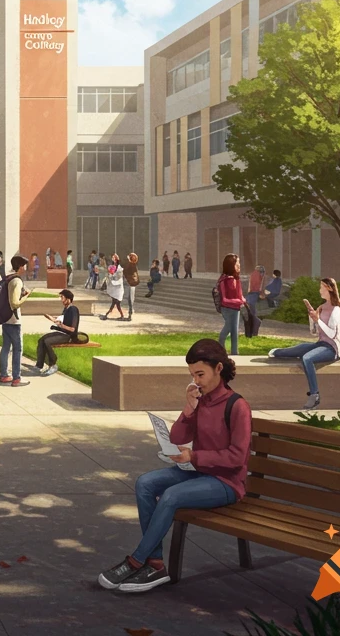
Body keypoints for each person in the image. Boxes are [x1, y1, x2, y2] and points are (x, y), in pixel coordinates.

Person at [97, 339, 250, 594]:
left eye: (200, 374)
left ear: (218, 368)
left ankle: (136, 561)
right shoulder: (201, 400)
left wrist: (194, 456)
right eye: (192, 375)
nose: (196, 381)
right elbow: (177, 437)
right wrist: (189, 408)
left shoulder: (237, 406)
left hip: (226, 483)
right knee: (145, 483)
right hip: (198, 473)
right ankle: (156, 563)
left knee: (171, 496)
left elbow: (237, 457)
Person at [269, 277, 340, 409]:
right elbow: (314, 333)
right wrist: (312, 318)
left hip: (332, 349)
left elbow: (332, 334)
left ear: (330, 289)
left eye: (322, 288)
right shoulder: (322, 308)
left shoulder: (336, 310)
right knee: (299, 348)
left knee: (307, 358)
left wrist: (318, 320)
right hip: (321, 344)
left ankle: (314, 395)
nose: (320, 290)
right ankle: (277, 352)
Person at [0, 255, 31, 386]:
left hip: (5, 318)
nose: (26, 267)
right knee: (18, 349)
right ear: (21, 266)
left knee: (6, 348)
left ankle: (4, 375)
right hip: (14, 321)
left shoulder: (9, 279)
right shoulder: (17, 281)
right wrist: (27, 296)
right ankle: (17, 378)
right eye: (25, 265)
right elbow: (15, 303)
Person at [34, 289, 83, 376]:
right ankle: (39, 365)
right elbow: (61, 320)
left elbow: (72, 329)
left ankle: (53, 364)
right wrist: (52, 319)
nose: (61, 300)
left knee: (47, 341)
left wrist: (61, 325)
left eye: (62, 297)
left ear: (68, 299)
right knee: (41, 340)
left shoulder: (73, 309)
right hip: (62, 333)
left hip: (68, 336)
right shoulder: (66, 309)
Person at [216, 254, 245, 355]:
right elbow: (224, 300)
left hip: (236, 308)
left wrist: (243, 300)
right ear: (231, 265)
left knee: (235, 331)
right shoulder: (223, 280)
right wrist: (239, 301)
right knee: (227, 328)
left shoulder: (237, 279)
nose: (239, 265)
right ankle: (220, 348)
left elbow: (240, 296)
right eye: (237, 263)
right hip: (227, 309)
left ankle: (234, 352)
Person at [123, 253, 140, 320]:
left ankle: (130, 313)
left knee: (130, 298)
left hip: (129, 282)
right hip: (133, 283)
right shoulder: (134, 265)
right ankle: (131, 312)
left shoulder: (129, 265)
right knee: (131, 297)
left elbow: (125, 272)